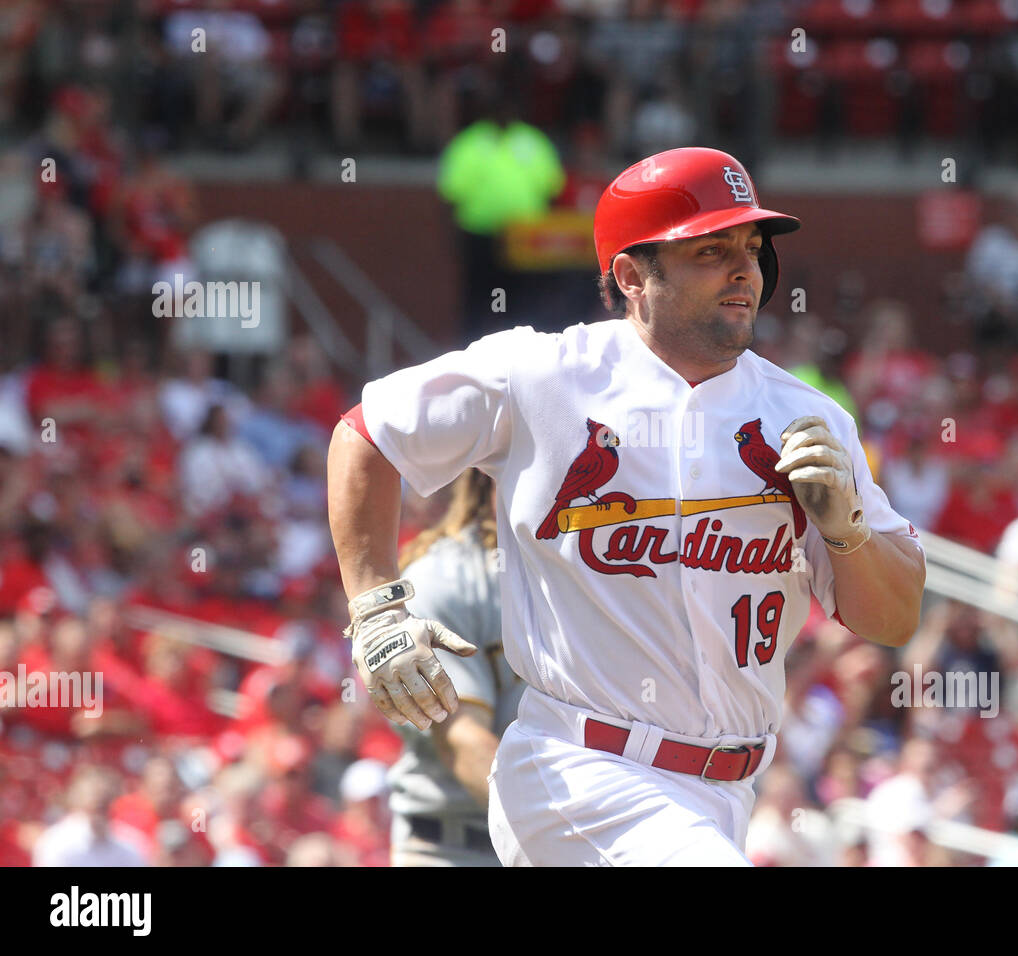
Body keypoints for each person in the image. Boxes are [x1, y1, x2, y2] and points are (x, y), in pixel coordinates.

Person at [327, 146, 926, 866]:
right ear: (632, 276)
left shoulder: (807, 416)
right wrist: (375, 609)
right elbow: (367, 433)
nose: (745, 269)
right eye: (711, 249)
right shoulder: (543, 374)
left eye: (752, 246)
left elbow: (894, 619)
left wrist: (848, 533)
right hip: (581, 771)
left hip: (727, 791)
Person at [387, 468, 523, 866]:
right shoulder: (443, 578)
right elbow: (462, 742)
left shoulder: (593, 579)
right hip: (454, 847)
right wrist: (563, 833)